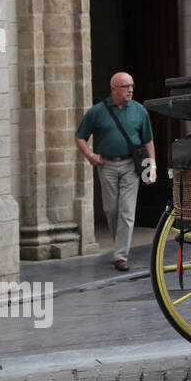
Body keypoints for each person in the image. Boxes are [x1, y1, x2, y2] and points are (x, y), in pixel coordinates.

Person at [76, 72, 156, 272]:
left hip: (131, 166)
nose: (130, 90)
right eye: (125, 86)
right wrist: (90, 155)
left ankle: (121, 255)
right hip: (107, 165)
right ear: (113, 89)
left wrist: (151, 167)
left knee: (127, 211)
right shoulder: (97, 112)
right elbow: (80, 136)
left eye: (132, 85)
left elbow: (148, 141)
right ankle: (120, 245)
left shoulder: (139, 111)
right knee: (111, 210)